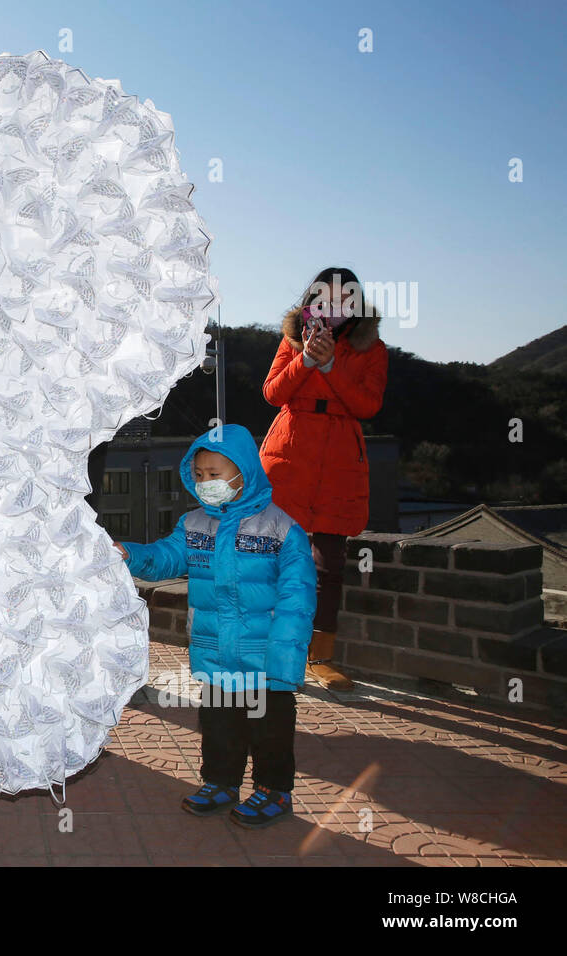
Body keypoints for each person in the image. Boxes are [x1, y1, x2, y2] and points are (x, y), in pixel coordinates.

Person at [120, 424, 315, 828]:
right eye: (201, 475)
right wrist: (129, 554)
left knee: (270, 730)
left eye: (217, 474)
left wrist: (285, 658)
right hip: (217, 653)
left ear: (245, 472)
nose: (207, 483)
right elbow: (165, 558)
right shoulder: (194, 526)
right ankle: (221, 783)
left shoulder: (281, 531)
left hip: (266, 659)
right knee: (219, 724)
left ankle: (274, 791)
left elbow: (298, 599)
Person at [259, 267, 388, 690]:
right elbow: (274, 393)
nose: (334, 308)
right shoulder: (294, 338)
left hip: (337, 459)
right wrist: (306, 361)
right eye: (324, 299)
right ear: (311, 301)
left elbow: (368, 405)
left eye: (343, 300)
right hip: (290, 452)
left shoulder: (372, 347)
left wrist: (332, 367)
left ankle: (320, 657)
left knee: (329, 564)